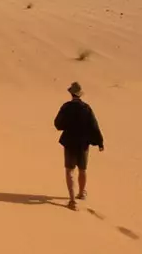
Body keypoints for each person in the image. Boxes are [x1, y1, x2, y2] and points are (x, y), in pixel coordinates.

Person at [54, 82, 104, 211]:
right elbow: (94, 125)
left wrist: (68, 125)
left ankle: (72, 200)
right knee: (82, 169)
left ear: (71, 94)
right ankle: (81, 193)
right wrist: (100, 142)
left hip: (69, 143)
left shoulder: (66, 107)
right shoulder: (86, 108)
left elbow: (58, 124)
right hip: (83, 144)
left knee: (69, 170)